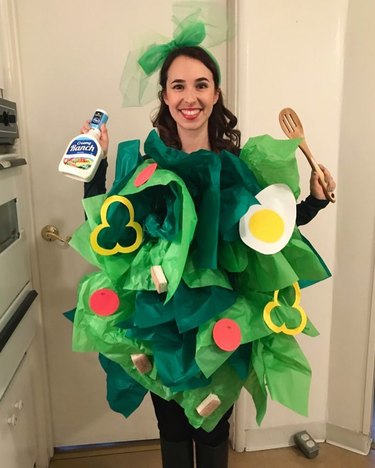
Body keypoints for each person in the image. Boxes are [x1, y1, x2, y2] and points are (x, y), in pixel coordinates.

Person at [79, 45, 336, 468]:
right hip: (163, 322)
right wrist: (97, 160)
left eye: (201, 85)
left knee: (213, 425)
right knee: (173, 426)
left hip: (223, 319)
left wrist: (313, 201)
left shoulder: (236, 165)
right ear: (165, 96)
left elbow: (268, 232)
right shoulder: (147, 168)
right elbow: (110, 229)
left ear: (216, 94)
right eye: (178, 86)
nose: (190, 97)